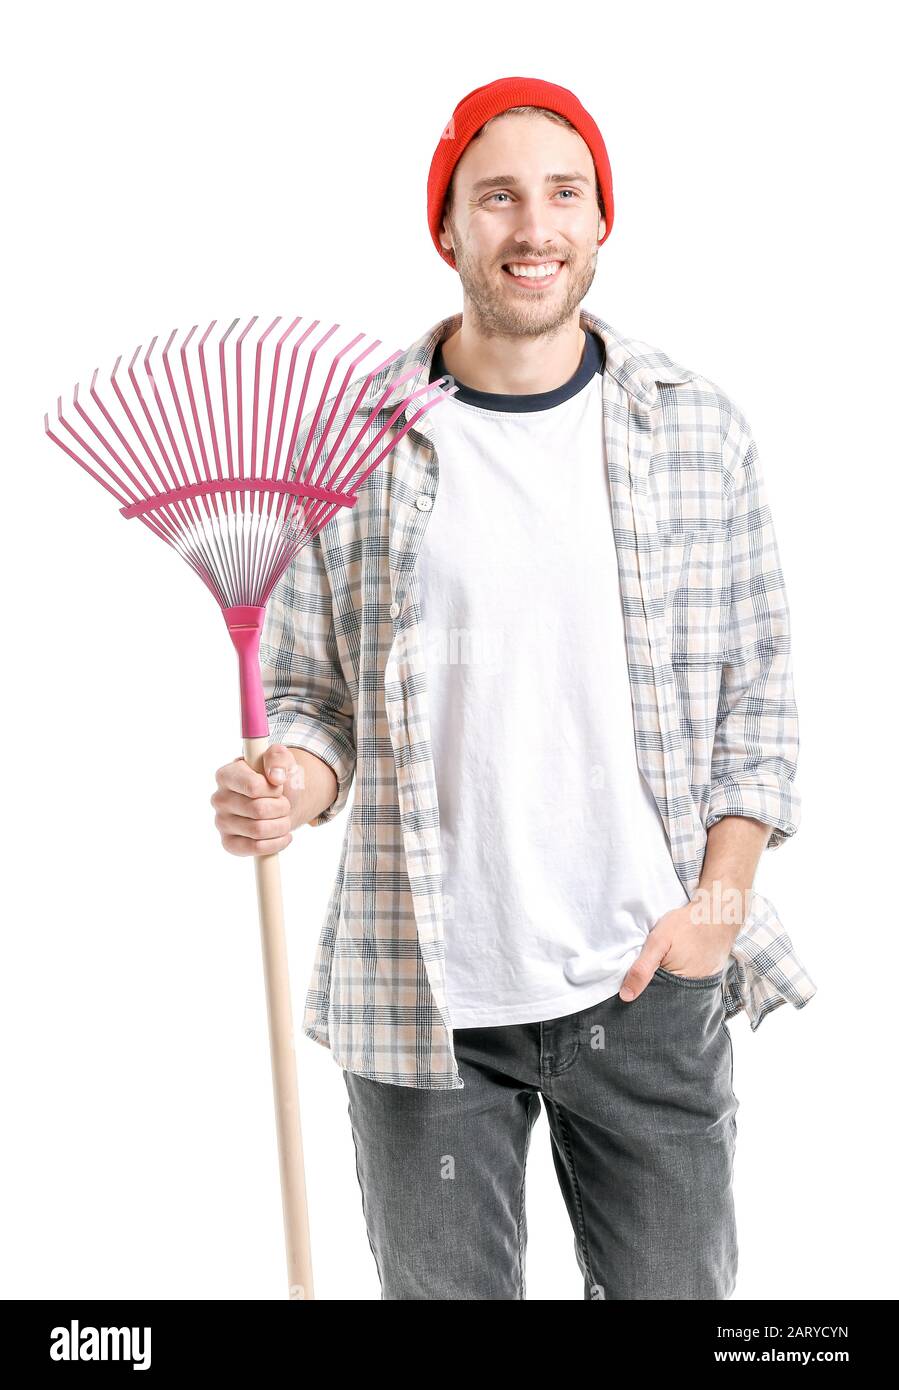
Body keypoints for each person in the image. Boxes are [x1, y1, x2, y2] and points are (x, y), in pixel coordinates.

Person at [210, 75, 816, 1300]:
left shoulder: (697, 430)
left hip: (647, 982)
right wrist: (293, 777)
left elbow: (756, 702)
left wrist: (717, 903)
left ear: (600, 222)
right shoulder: (348, 442)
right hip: (422, 998)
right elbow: (315, 695)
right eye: (496, 198)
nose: (531, 227)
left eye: (562, 194)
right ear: (446, 227)